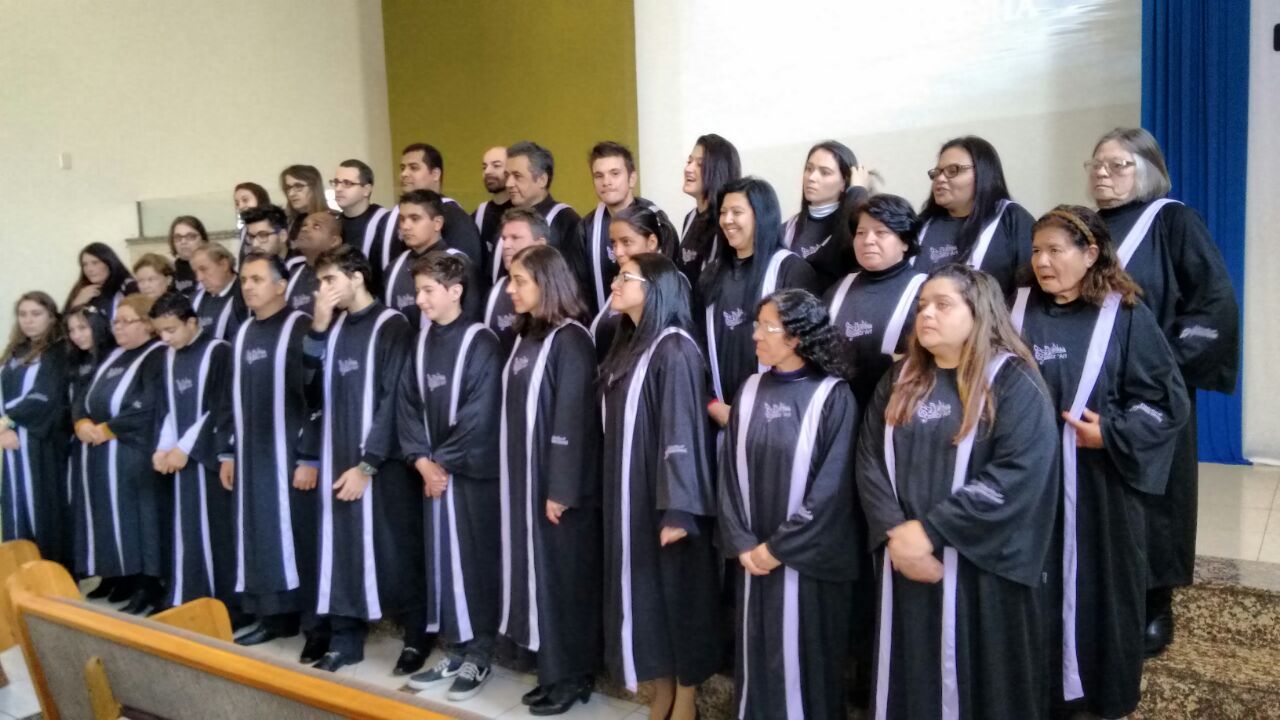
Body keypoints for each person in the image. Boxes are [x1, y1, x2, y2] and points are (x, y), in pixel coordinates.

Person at [856, 264, 1059, 720]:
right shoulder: (900, 379)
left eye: (942, 305)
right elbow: (869, 459)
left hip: (979, 573)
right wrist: (896, 533)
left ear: (979, 312)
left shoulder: (1014, 381)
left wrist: (928, 533)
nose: (926, 314)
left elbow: (1018, 474)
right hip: (906, 565)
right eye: (922, 305)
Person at [1011, 205, 1188, 718]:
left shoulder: (1125, 313)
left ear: (1090, 254)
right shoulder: (1014, 306)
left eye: (1055, 250)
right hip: (1030, 485)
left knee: (1100, 589)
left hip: (1099, 486)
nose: (1042, 262)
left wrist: (1110, 433)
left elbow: (1164, 400)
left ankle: (1099, 697)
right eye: (1036, 250)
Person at [1087, 127, 1240, 656]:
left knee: (1158, 495)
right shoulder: (1084, 230)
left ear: (1148, 169)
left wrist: (1166, 369)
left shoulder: (1171, 220)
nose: (1102, 174)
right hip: (1092, 387)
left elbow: (1213, 301)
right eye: (1097, 165)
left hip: (1153, 390)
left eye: (1118, 164)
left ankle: (1156, 602)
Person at [718, 288, 861, 718]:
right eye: (757, 325)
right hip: (752, 559)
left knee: (804, 661)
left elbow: (832, 489)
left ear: (797, 337)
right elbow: (727, 475)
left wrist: (778, 548)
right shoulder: (749, 389)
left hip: (806, 564)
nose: (755, 336)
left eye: (767, 327)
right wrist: (743, 541)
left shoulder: (833, 397)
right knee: (756, 653)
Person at [599, 253, 718, 720]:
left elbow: (683, 431)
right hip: (629, 494)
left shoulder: (676, 349)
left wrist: (679, 510)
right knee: (647, 600)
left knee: (677, 598)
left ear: (656, 288)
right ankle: (662, 689)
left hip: (664, 500)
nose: (615, 282)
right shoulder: (627, 344)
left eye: (625, 277)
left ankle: (686, 697)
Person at [303, 245, 424, 674]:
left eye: (330, 280)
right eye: (319, 282)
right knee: (341, 550)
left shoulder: (392, 325)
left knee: (396, 549)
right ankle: (345, 638)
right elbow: (309, 392)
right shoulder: (331, 329)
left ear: (357, 278)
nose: (323, 290)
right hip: (338, 454)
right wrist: (317, 327)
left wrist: (367, 464)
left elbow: (396, 398)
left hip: (381, 463)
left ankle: (415, 637)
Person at [498, 244, 602, 715]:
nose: (511, 289)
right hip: (524, 483)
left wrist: (560, 488)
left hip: (558, 489)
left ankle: (573, 675)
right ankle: (551, 670)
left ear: (548, 283)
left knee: (563, 582)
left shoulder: (572, 339)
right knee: (539, 579)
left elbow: (573, 420)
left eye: (520, 280)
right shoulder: (526, 337)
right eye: (510, 280)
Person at [398, 253, 503, 701]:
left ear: (455, 291)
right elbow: (407, 406)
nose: (419, 300)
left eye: (428, 291)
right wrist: (421, 461)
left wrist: (442, 462)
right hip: (433, 477)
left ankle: (480, 654)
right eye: (417, 290)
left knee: (474, 563)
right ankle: (455, 649)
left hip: (470, 478)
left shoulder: (481, 342)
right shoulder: (420, 342)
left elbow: (482, 410)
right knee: (443, 562)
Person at [227, 253, 327, 662]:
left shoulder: (300, 327)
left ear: (281, 285)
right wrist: (228, 451)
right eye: (244, 280)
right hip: (253, 456)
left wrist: (310, 457)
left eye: (257, 279)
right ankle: (274, 617)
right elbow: (227, 399)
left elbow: (317, 399)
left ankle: (316, 627)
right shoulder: (244, 330)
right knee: (261, 536)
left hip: (291, 455)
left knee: (301, 539)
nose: (248, 286)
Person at [148, 291, 241, 620]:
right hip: (181, 458)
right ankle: (189, 596)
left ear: (192, 322)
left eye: (171, 330)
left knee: (217, 531)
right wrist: (164, 446)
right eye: (160, 331)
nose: (165, 337)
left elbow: (220, 407)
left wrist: (186, 448)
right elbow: (169, 406)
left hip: (209, 458)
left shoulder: (219, 352)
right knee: (187, 529)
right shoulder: (168, 356)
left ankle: (226, 606)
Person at [73, 294, 168, 615]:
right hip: (99, 452)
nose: (118, 328)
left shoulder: (157, 356)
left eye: (126, 321)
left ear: (148, 324)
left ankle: (147, 583)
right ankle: (118, 574)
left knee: (137, 520)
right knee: (107, 516)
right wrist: (81, 421)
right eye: (115, 322)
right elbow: (83, 396)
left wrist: (109, 429)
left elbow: (149, 403)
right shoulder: (112, 356)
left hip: (132, 452)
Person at [699, 177, 817, 430]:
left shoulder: (790, 270)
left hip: (776, 417)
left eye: (737, 212)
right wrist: (713, 405)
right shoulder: (710, 275)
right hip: (718, 417)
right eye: (723, 212)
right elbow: (696, 346)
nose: (727, 220)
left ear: (761, 216)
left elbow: (804, 350)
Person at [825, 194, 928, 409]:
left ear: (905, 242)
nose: (868, 240)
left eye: (881, 232)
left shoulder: (925, 291)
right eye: (861, 233)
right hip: (837, 411)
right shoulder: (838, 289)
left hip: (893, 410)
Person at [913, 136, 1035, 298]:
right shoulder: (923, 224)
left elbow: (1030, 288)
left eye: (953, 170)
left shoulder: (1012, 219)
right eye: (937, 172)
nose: (940, 179)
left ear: (983, 173)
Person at [1, 291, 70, 564]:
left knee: (42, 505)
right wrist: (4, 429)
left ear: (52, 318)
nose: (28, 321)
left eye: (36, 314)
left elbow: (46, 395)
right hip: (10, 442)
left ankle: (50, 572)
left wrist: (7, 421)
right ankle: (20, 569)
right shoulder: (14, 352)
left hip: (41, 441)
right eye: (23, 315)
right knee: (15, 504)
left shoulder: (58, 352)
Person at [577, 141, 676, 316]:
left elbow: (668, 280)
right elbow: (580, 288)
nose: (606, 182)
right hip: (603, 331)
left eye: (615, 173)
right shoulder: (587, 227)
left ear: (632, 179)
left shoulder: (656, 220)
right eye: (599, 176)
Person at [589, 205, 679, 363]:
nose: (617, 252)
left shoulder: (671, 283)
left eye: (626, 242)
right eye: (614, 243)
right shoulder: (622, 280)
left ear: (651, 242)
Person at [383, 190, 483, 328]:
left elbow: (471, 321)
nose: (405, 226)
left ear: (437, 223)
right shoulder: (393, 267)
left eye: (415, 218)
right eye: (402, 219)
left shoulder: (459, 265)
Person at [784, 140, 872, 291]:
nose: (811, 178)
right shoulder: (788, 228)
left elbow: (841, 256)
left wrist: (857, 192)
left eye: (825, 172)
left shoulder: (855, 228)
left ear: (845, 182)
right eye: (809, 169)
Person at [504, 141, 586, 293]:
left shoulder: (566, 221)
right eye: (507, 175)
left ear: (542, 179)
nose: (508, 183)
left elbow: (573, 282)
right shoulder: (507, 219)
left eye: (517, 176)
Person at [388, 143, 484, 266]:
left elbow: (465, 268)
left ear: (435, 174)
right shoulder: (395, 213)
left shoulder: (456, 218)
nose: (404, 174)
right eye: (402, 168)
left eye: (413, 167)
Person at [677, 134, 741, 287]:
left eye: (700, 164)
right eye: (689, 161)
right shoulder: (691, 217)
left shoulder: (726, 223)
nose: (688, 169)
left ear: (719, 171)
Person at [484, 208, 549, 359]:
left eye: (515, 238)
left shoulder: (558, 291)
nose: (506, 245)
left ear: (540, 244)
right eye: (504, 238)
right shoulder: (496, 290)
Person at [333, 159, 394, 282]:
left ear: (366, 189)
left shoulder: (385, 221)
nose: (338, 188)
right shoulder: (334, 223)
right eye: (336, 182)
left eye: (347, 183)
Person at [287, 211, 343, 317]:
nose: (304, 229)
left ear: (334, 241)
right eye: (304, 225)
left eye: (316, 226)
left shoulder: (340, 277)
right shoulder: (292, 271)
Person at [63, 242, 138, 323]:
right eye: (84, 265)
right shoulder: (81, 290)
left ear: (109, 262)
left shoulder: (128, 286)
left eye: (95, 263)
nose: (89, 269)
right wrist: (76, 304)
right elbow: (63, 327)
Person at [190, 243, 247, 341]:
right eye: (196, 272)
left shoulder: (246, 293)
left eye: (204, 269)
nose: (199, 278)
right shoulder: (195, 299)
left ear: (224, 265)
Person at [474, 146, 512, 273]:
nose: (488, 171)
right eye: (484, 167)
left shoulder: (521, 214)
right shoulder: (480, 213)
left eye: (496, 166)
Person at [279, 165, 329, 248]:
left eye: (298, 186)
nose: (291, 194)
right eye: (288, 188)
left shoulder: (330, 219)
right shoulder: (287, 221)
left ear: (314, 187)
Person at [243, 204, 302, 270]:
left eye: (262, 235)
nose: (254, 244)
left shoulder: (300, 269)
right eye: (251, 236)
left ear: (283, 236)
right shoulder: (251, 268)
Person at [168, 216, 208, 296]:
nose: (183, 241)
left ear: (202, 239)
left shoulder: (214, 268)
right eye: (178, 237)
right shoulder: (169, 272)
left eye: (190, 236)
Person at [234, 182, 271, 265]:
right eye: (237, 203)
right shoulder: (243, 230)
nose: (240, 206)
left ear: (260, 199)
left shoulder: (271, 224)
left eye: (245, 200)